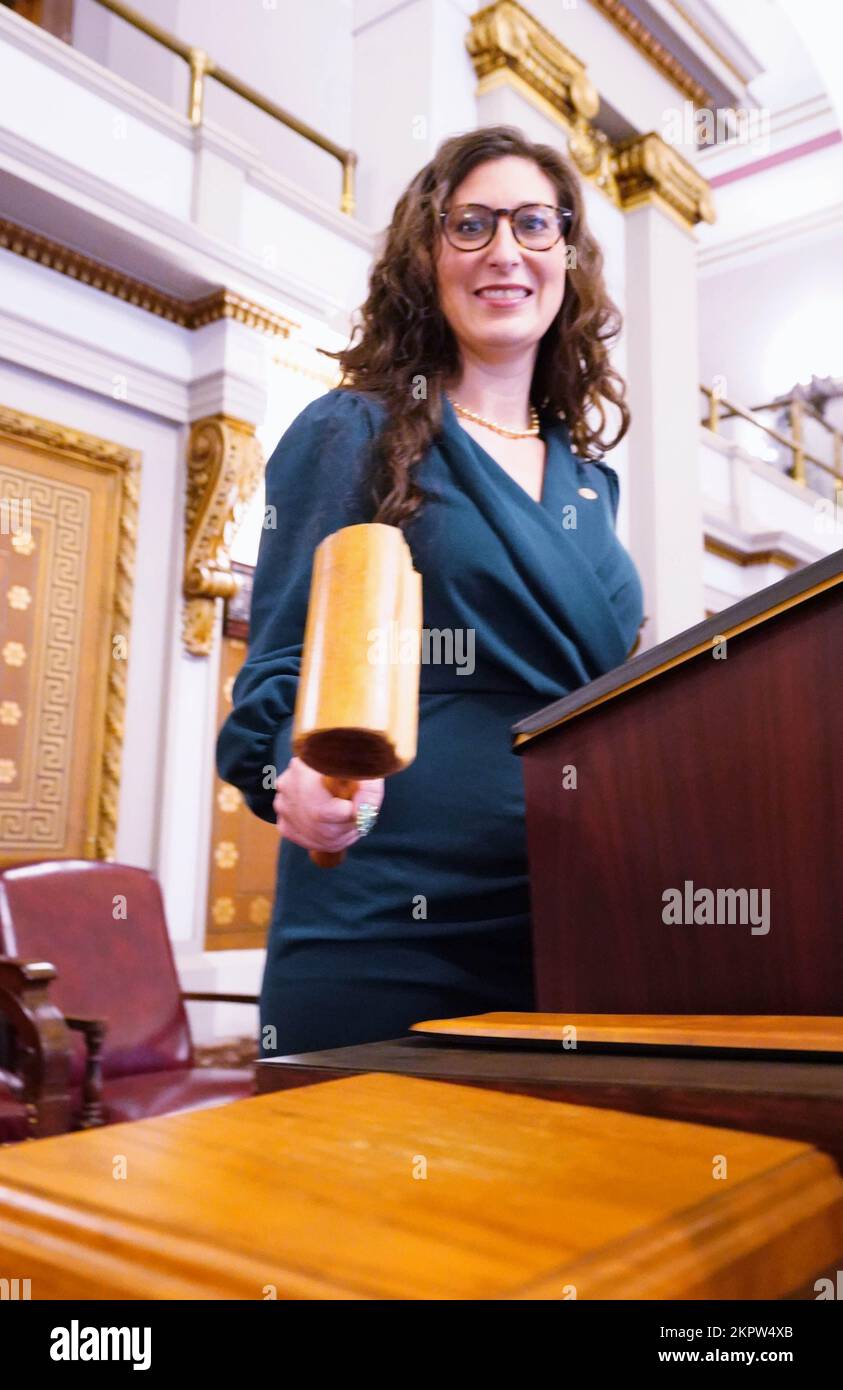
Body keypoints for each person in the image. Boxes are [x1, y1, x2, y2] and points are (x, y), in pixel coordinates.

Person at [216, 124, 644, 1057]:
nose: (504, 251)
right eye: (470, 225)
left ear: (565, 255)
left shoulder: (589, 484)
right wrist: (276, 774)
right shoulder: (353, 428)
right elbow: (280, 656)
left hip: (576, 908)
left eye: (534, 224)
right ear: (427, 253)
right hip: (388, 912)